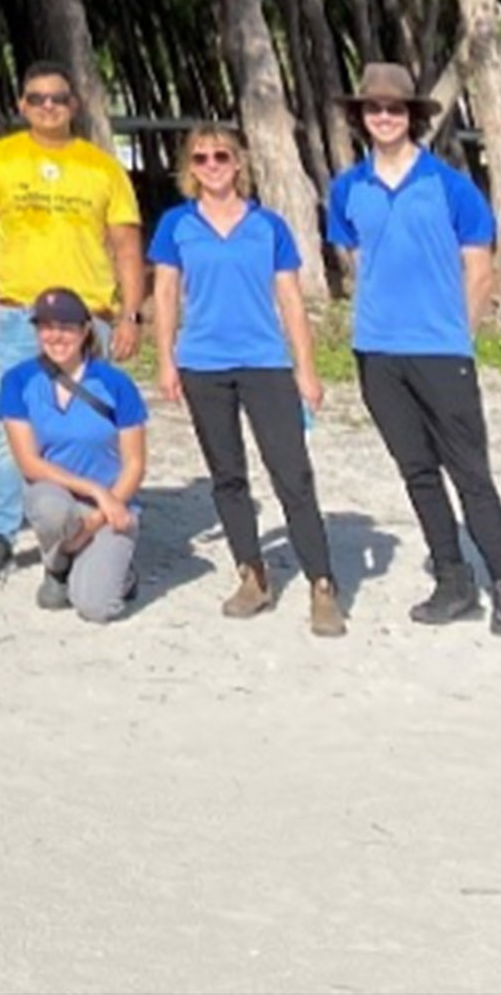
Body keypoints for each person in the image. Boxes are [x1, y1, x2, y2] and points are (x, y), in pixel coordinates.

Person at [325, 65, 501, 647]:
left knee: (472, 475)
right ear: (360, 116)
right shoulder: (348, 187)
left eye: (395, 108)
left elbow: (480, 269)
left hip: (441, 350)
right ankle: (452, 580)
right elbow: (356, 257)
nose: (384, 117)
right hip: (376, 352)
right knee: (416, 469)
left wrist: (459, 335)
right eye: (374, 108)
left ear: (412, 116)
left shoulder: (450, 185)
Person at [150, 125, 343, 634]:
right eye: (201, 158)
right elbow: (165, 295)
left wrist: (306, 369)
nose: (212, 165)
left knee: (292, 474)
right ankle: (252, 574)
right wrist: (166, 359)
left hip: (265, 362)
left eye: (221, 156)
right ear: (189, 168)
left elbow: (291, 300)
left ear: (239, 163)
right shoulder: (176, 224)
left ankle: (322, 582)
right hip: (203, 363)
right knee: (228, 475)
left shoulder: (268, 225)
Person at [0, 60, 146, 578]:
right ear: (22, 105)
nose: (48, 107)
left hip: (90, 315)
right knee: (11, 426)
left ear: (74, 106)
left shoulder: (101, 167)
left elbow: (126, 244)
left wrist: (131, 314)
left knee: (93, 424)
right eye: (37, 98)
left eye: (58, 99)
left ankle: (94, 521)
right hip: (23, 315)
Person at [0, 288, 150, 623]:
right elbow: (28, 463)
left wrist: (102, 511)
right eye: (46, 327)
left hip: (111, 504)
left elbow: (135, 463)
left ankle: (117, 573)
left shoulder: (115, 383)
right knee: (51, 507)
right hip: (57, 493)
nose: (56, 337)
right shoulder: (18, 381)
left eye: (66, 327)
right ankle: (58, 565)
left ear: (85, 330)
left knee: (95, 608)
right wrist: (94, 490)